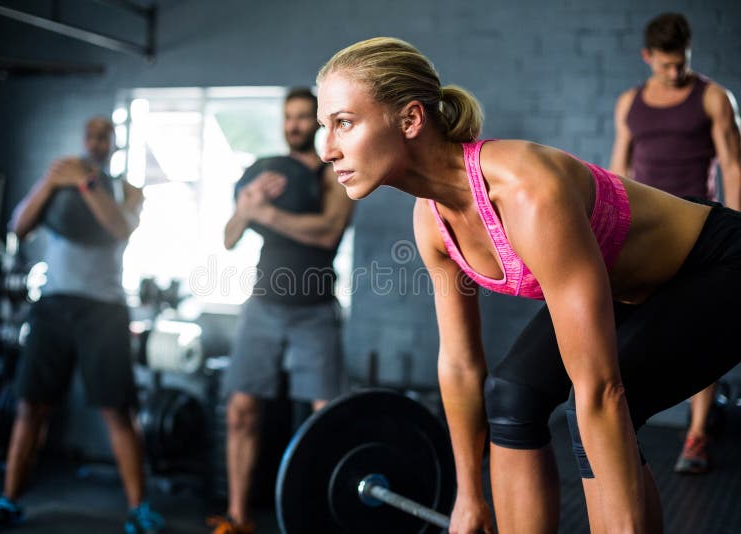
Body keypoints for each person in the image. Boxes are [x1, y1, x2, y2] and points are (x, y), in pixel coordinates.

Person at [315, 37, 741, 534]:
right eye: (326, 126)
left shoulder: (525, 191)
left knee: (596, 413)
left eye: (344, 123)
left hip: (717, 265)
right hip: (628, 286)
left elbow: (600, 388)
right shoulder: (431, 222)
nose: (327, 149)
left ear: (410, 120)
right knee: (512, 394)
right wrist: (468, 496)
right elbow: (460, 363)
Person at [0, 117, 164, 534]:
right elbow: (18, 227)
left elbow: (120, 228)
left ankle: (139, 510)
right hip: (53, 305)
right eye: (91, 136)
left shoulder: (128, 190)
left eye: (104, 137)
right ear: (82, 139)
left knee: (118, 411)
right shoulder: (58, 179)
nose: (96, 142)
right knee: (30, 406)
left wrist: (86, 183)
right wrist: (50, 181)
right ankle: (8, 501)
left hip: (104, 311)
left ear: (115, 143)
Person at [207, 88, 354, 534]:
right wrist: (247, 206)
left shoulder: (335, 171)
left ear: (318, 122)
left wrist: (265, 213)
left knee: (327, 417)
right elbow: (229, 237)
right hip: (264, 305)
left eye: (303, 116)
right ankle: (238, 517)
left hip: (315, 310)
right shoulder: (265, 172)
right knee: (240, 411)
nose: (294, 124)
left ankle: (324, 520)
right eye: (289, 117)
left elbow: (328, 232)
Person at [609, 12, 741, 475]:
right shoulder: (630, 103)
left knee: (700, 329)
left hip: (697, 229)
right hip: (644, 232)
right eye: (665, 64)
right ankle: (624, 431)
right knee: (632, 328)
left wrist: (737, 228)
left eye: (681, 61)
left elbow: (733, 165)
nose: (674, 71)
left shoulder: (713, 98)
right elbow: (618, 169)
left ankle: (697, 435)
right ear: (647, 56)